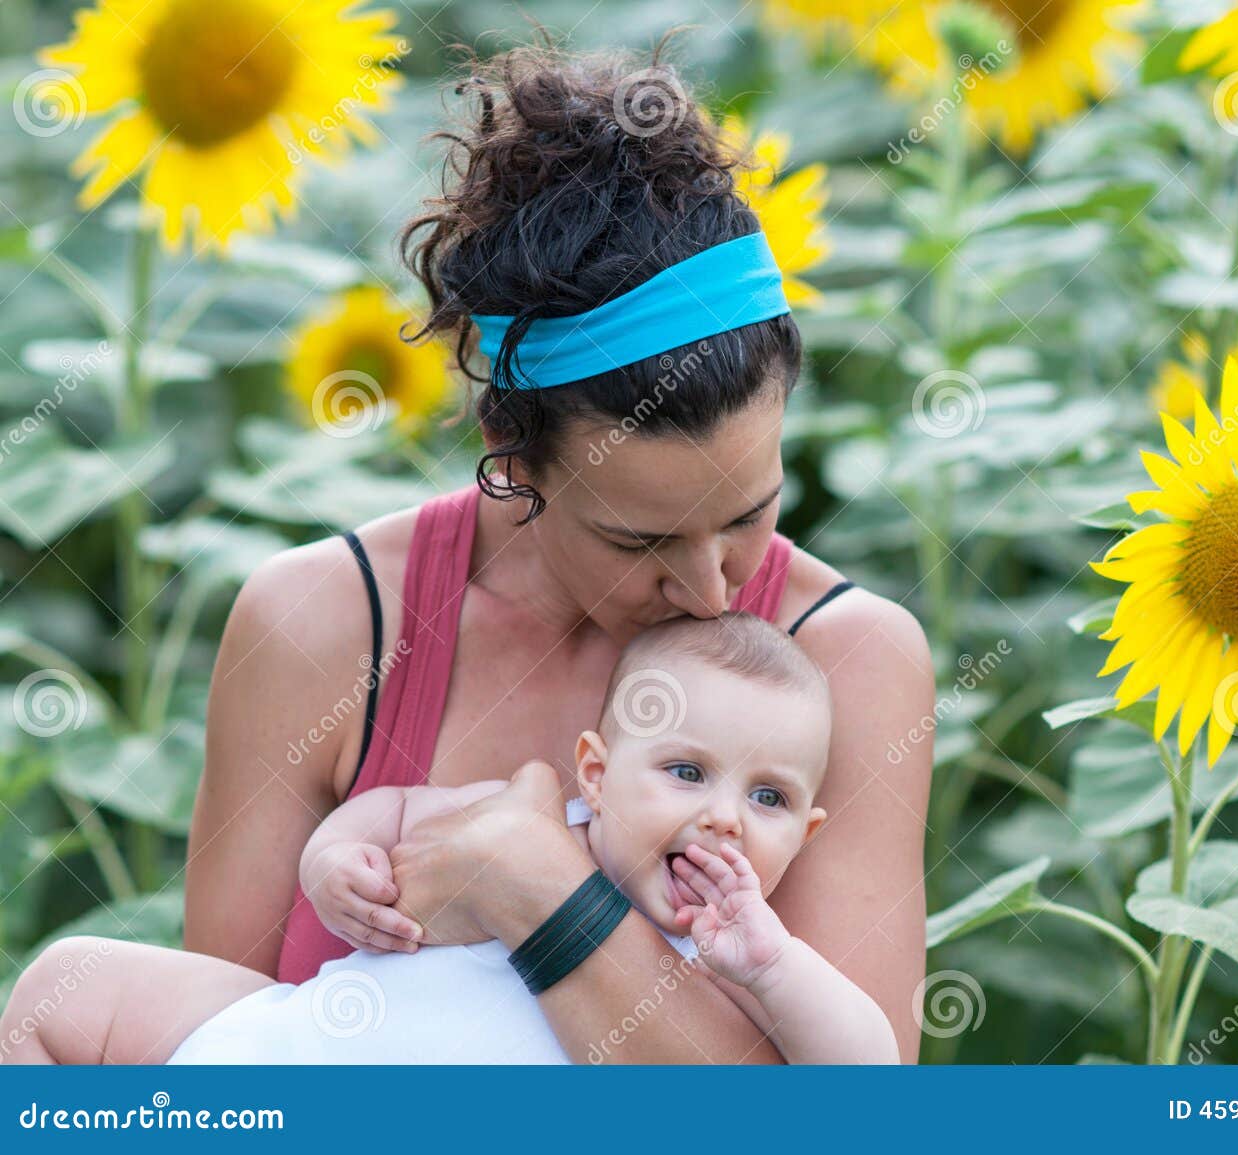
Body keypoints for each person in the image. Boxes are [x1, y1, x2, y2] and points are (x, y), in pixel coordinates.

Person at [182, 41, 934, 1063]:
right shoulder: (323, 627)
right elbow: (217, 1067)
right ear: (512, 457)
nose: (716, 592)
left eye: (751, 513)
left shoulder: (853, 662)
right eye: (642, 539)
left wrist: (533, 885)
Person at [0, 616, 900, 1065]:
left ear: (808, 831)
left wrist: (772, 964)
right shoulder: (536, 813)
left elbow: (867, 1076)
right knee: (64, 986)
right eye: (688, 772)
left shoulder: (741, 961)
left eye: (771, 797)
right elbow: (391, 812)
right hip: (290, 1051)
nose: (725, 817)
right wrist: (334, 861)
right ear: (595, 771)